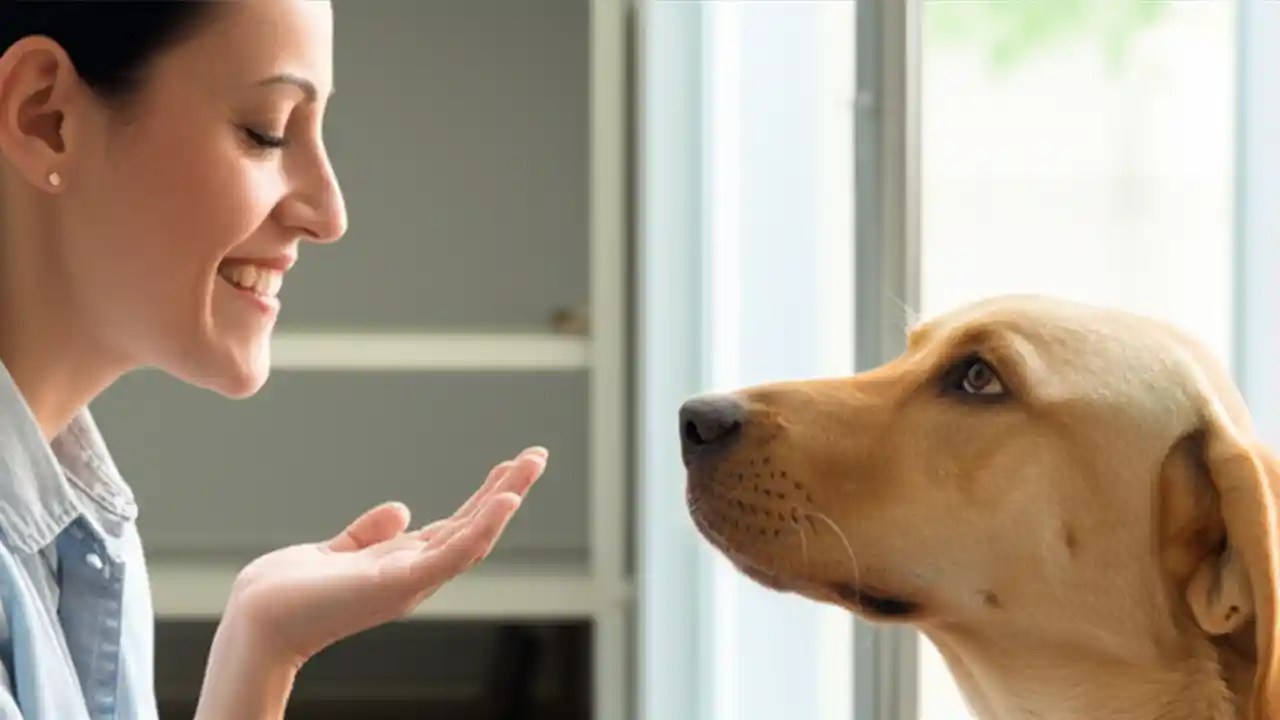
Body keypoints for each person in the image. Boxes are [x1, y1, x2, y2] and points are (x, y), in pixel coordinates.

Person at [0, 1, 549, 717]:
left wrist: (260, 652)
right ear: (46, 117)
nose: (330, 211)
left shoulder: (84, 537)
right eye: (268, 131)